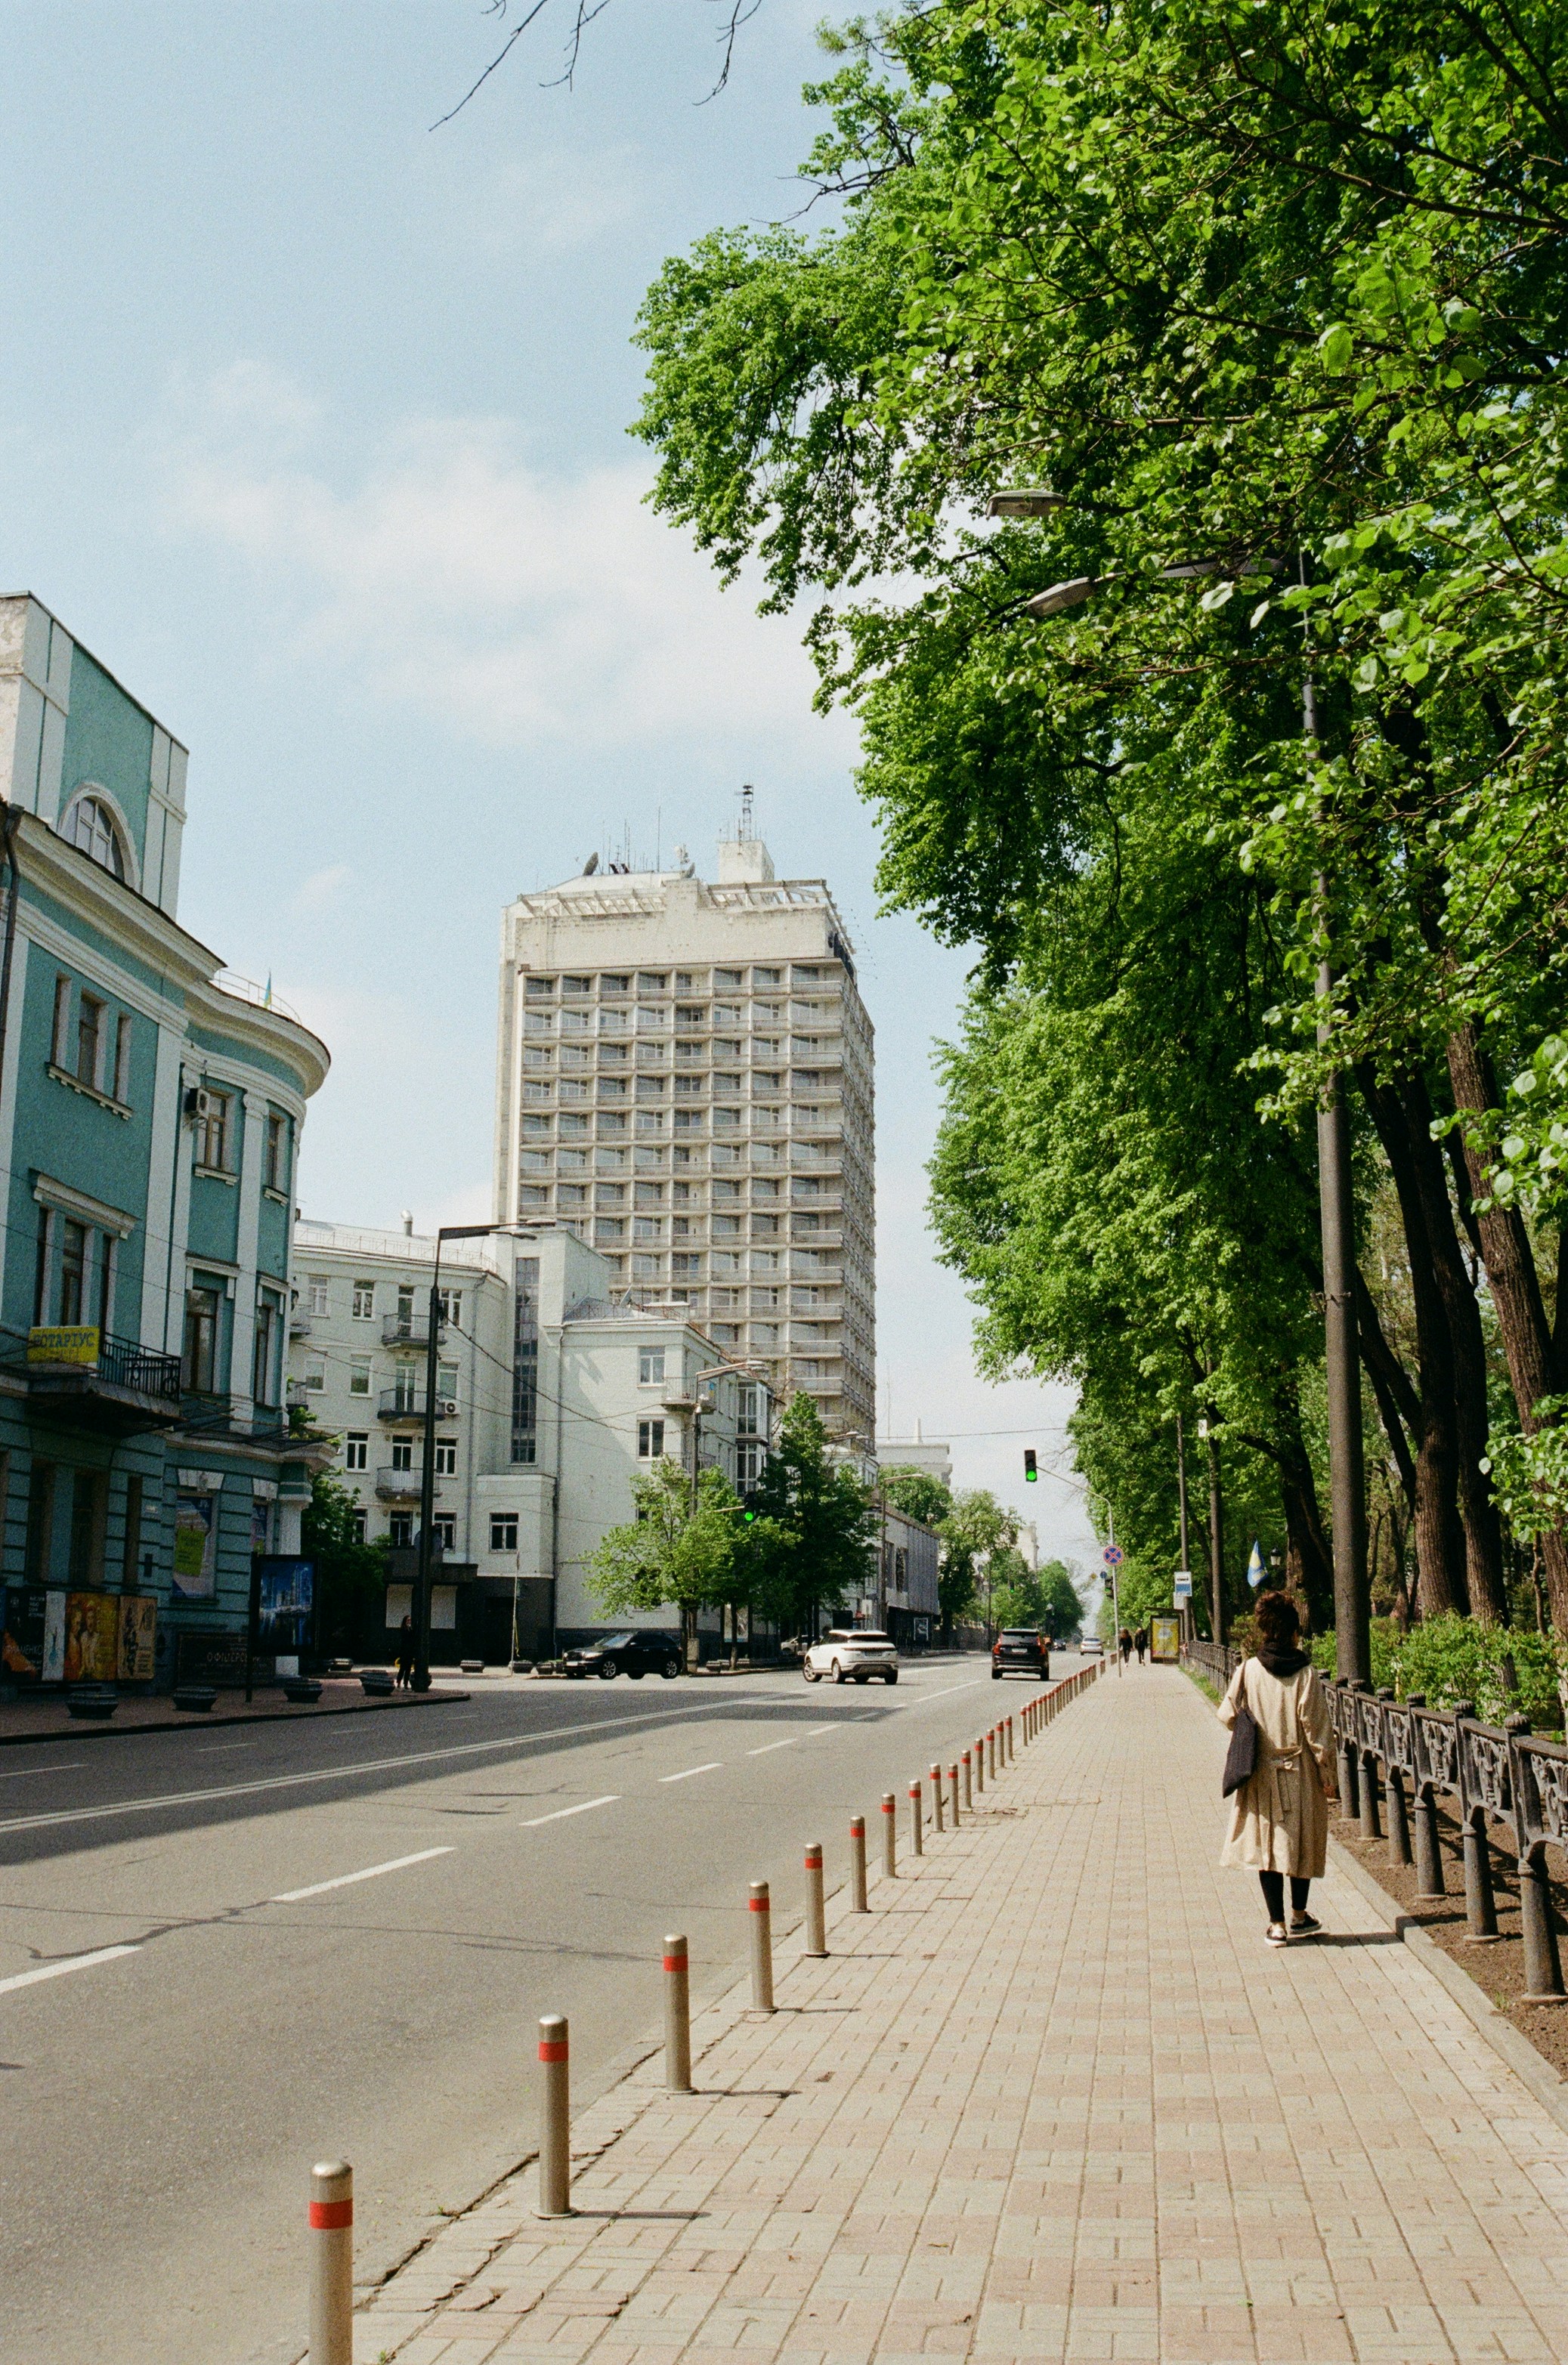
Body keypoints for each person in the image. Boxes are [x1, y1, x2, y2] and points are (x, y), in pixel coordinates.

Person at [1217, 1591, 1337, 1946]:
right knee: (1301, 1844)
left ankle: (1276, 1925)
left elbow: (1226, 1714)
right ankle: (1300, 1916)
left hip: (1261, 1772)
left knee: (1267, 1848)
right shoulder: (1306, 1674)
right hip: (1298, 1771)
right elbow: (1316, 1729)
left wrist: (1249, 1731)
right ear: (1293, 1631)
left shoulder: (1248, 1669)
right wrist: (1328, 1776)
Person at [396, 1613, 414, 1690]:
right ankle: (399, 1682)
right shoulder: (403, 1629)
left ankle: (406, 1684)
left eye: (410, 1620)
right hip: (404, 1652)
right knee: (402, 1668)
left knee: (408, 1669)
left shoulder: (411, 1629)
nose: (409, 1622)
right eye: (408, 1620)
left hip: (409, 1652)